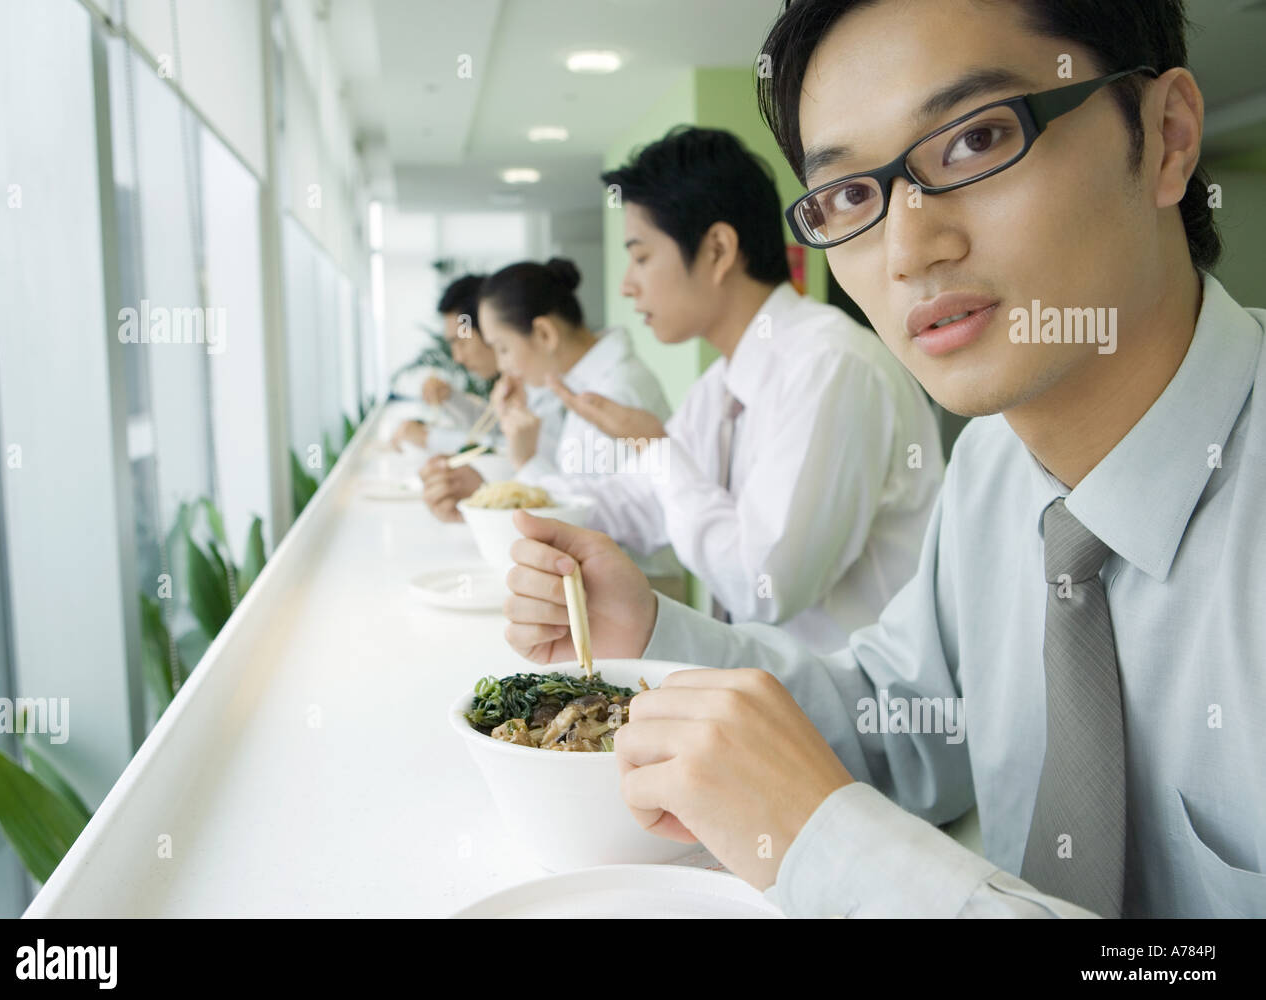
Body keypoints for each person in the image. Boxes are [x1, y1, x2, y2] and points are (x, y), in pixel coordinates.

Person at [501, 0, 1265, 918]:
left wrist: (830, 848)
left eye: (977, 140)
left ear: (1168, 136)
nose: (908, 249)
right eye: (849, 196)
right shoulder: (991, 467)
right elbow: (900, 720)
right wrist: (655, 640)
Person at [537, 126, 943, 652]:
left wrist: (658, 449)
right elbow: (640, 505)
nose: (626, 285)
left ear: (718, 250)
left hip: (853, 721)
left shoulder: (830, 366)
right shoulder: (721, 384)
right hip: (765, 697)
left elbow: (762, 586)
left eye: (640, 256)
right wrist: (512, 501)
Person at [420, 259, 674, 564]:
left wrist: (516, 472)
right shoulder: (575, 383)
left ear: (544, 334)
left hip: (634, 584)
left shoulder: (615, 393)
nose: (502, 365)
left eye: (502, 348)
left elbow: (593, 523)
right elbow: (573, 476)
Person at [390, 274, 500, 455]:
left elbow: (506, 447)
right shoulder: (513, 380)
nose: (457, 358)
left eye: (462, 343)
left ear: (489, 327)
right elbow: (496, 427)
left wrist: (429, 438)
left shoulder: (537, 381)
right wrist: (449, 397)